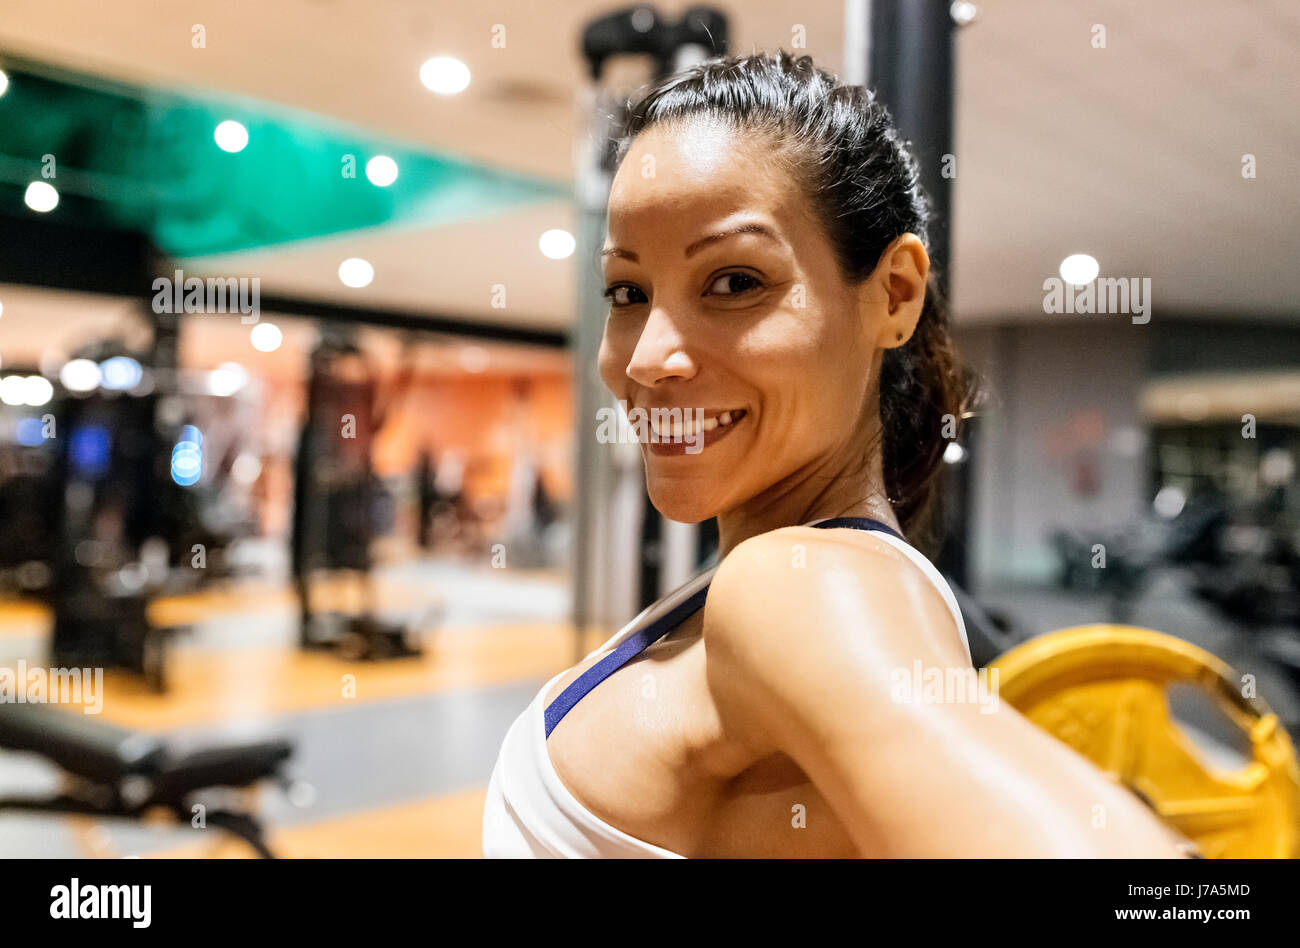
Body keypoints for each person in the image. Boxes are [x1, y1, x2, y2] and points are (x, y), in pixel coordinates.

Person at [483, 51, 1193, 858]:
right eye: (627, 291)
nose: (647, 358)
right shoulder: (788, 581)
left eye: (734, 281)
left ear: (893, 295)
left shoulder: (797, 588)